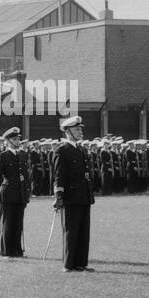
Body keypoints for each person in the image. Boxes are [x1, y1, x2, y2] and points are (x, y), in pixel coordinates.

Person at [52, 115, 94, 272]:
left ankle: (81, 263)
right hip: (70, 196)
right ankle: (68, 264)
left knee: (84, 231)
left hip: (84, 195)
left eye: (81, 129)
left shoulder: (81, 149)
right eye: (77, 129)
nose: (80, 132)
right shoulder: (62, 151)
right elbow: (59, 175)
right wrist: (59, 196)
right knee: (71, 230)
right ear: (68, 131)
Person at [0, 126, 33, 258]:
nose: (18, 141)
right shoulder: (2, 156)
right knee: (7, 224)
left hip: (20, 194)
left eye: (18, 139)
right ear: (8, 141)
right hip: (8, 193)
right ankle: (6, 251)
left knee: (18, 224)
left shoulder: (23, 155)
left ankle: (17, 250)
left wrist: (27, 193)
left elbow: (26, 176)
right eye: (14, 139)